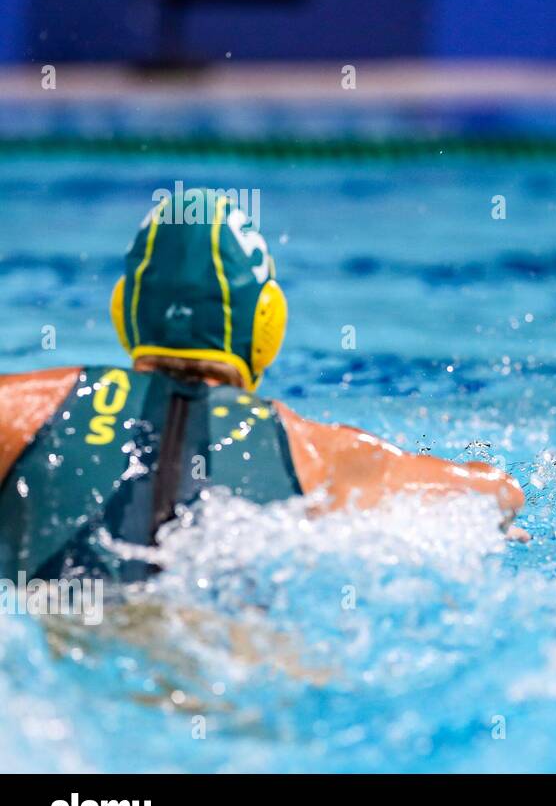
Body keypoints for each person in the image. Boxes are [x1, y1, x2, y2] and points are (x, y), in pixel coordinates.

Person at [0, 191, 525, 582]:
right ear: (267, 326)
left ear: (124, 313)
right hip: (223, 665)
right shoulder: (317, 454)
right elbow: (498, 493)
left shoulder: (24, 411)